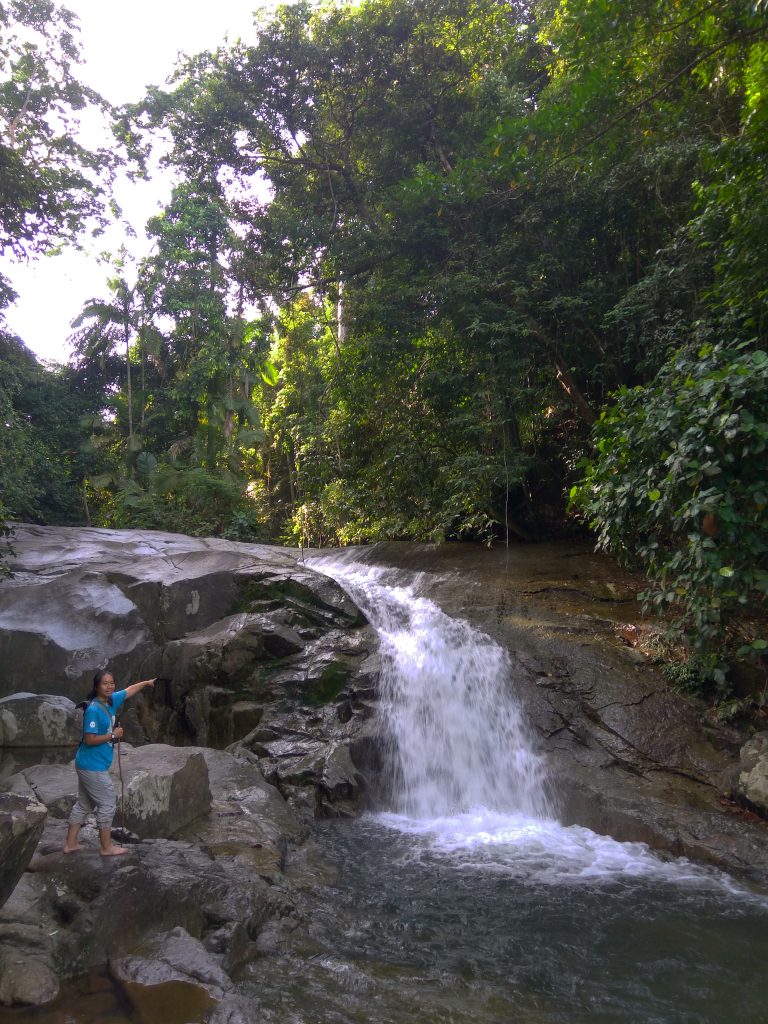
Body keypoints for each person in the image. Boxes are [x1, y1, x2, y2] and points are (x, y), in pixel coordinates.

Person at [63, 670, 155, 856]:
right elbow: (89, 739)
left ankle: (70, 844)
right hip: (92, 765)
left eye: (111, 683)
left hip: (91, 763)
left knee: (84, 804)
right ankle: (106, 847)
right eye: (105, 683)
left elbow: (128, 691)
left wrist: (145, 683)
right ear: (97, 687)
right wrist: (113, 735)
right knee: (107, 803)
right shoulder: (94, 710)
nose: (109, 686)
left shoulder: (111, 700)